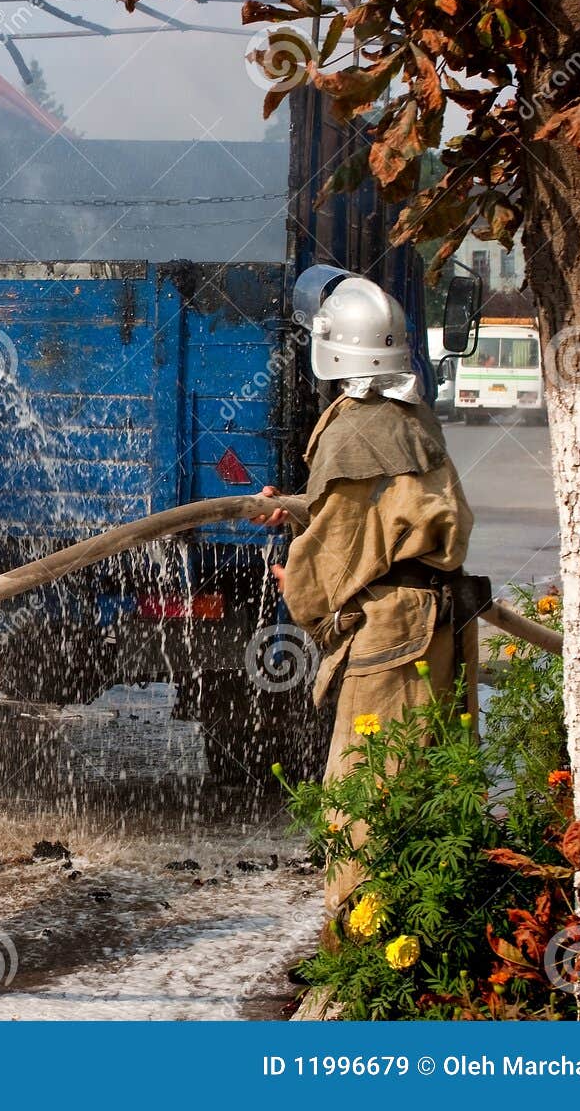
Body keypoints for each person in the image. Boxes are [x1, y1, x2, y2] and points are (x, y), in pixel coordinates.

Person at [251, 276, 474, 937]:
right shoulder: (407, 412)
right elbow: (377, 513)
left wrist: (298, 581)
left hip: (395, 631)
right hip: (438, 617)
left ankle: (360, 947)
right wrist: (301, 509)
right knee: (433, 782)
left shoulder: (353, 430)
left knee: (365, 796)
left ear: (330, 350)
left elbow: (335, 556)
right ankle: (431, 936)